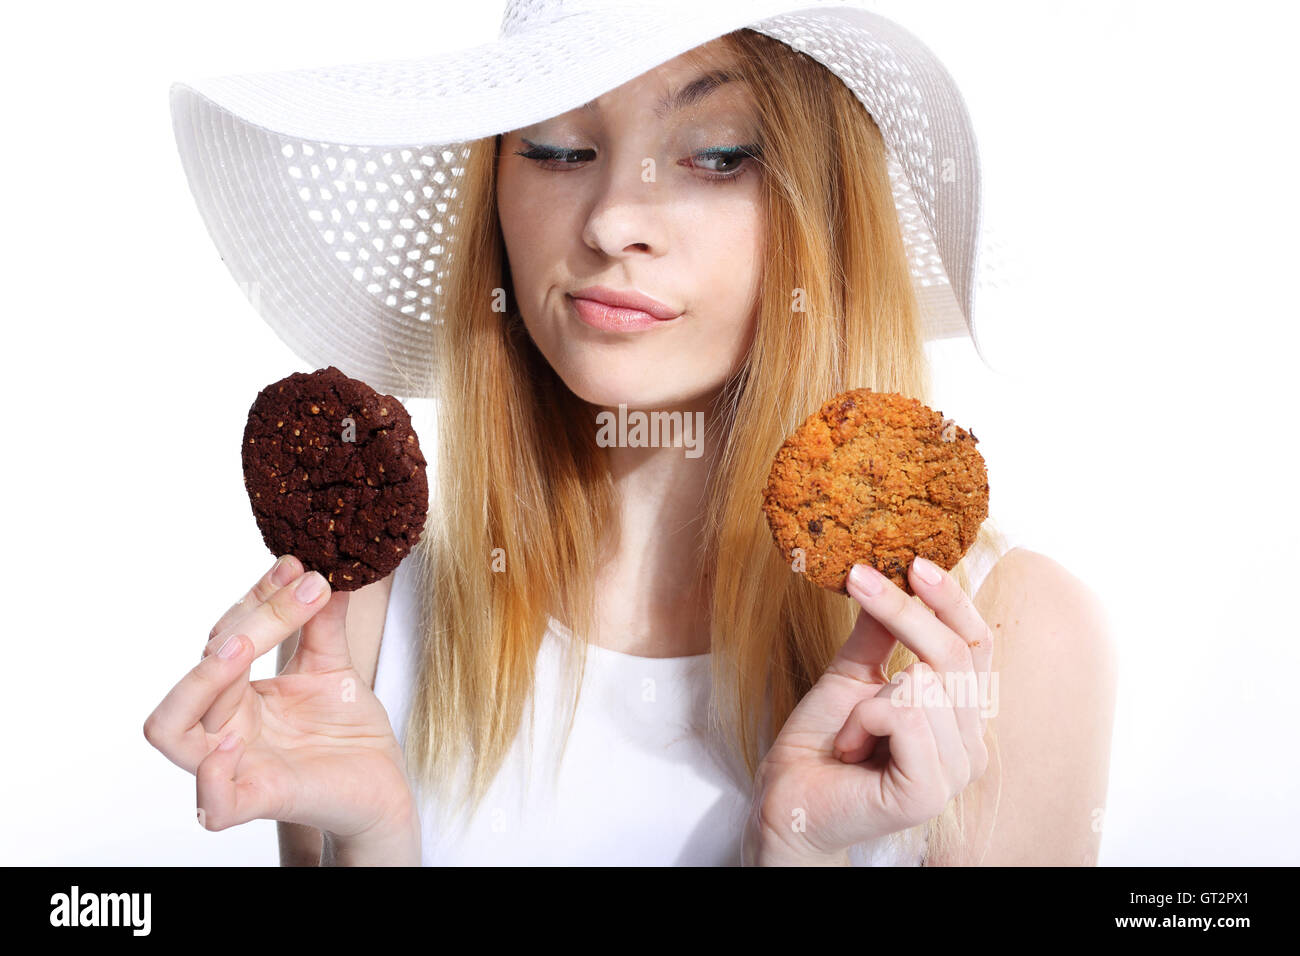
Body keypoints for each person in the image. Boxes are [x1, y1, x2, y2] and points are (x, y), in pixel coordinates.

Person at [147, 1, 1117, 866]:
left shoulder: (1006, 643)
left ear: (824, 211)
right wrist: (372, 844)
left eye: (719, 152)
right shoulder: (363, 622)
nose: (612, 220)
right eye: (559, 148)